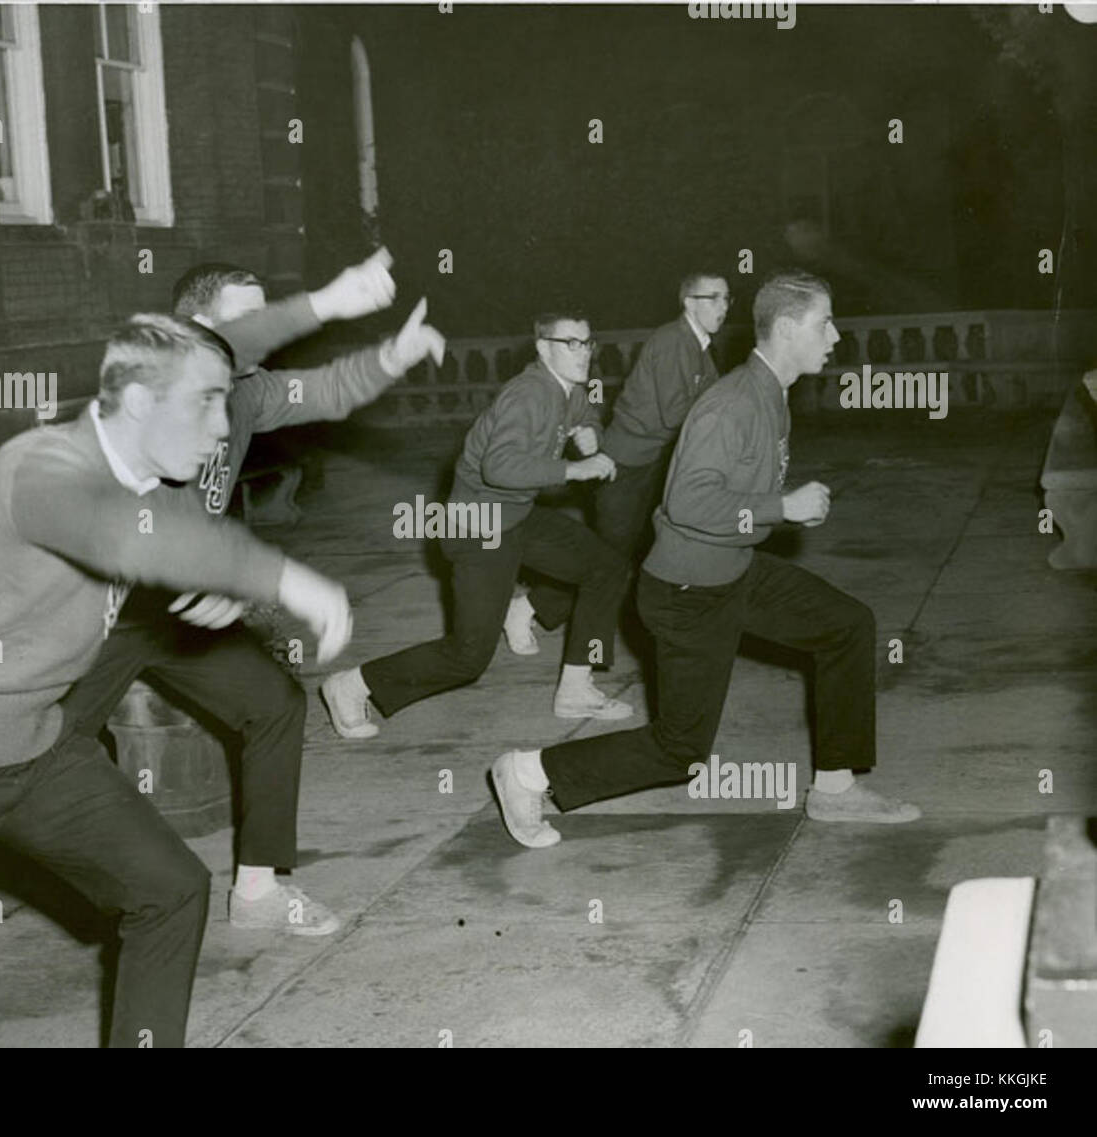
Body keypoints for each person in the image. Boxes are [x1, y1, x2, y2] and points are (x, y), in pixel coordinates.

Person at [0, 315, 354, 1048]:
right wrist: (286, 581)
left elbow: (170, 542)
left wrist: (208, 583)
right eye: (205, 402)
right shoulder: (38, 466)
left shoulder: (154, 484)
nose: (223, 427)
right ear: (137, 401)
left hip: (37, 749)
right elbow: (120, 533)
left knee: (172, 891)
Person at [59, 250, 445, 937]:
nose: (267, 335)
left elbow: (323, 390)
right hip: (96, 607)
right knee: (16, 764)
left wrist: (395, 354)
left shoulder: (245, 392)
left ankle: (259, 889)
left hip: (176, 604)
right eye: (252, 321)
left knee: (274, 705)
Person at [486, 272, 921, 849]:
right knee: (680, 751)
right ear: (788, 329)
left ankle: (836, 790)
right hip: (688, 593)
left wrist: (770, 510)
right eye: (825, 324)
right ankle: (526, 773)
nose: (836, 336)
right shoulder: (734, 403)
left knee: (846, 625)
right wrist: (781, 506)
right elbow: (687, 503)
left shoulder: (770, 393)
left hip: (733, 570)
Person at [321, 311, 635, 741]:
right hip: (477, 526)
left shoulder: (567, 389)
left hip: (515, 516)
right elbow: (500, 466)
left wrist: (590, 433)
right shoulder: (529, 394)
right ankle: (352, 685)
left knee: (607, 567)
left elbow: (584, 413)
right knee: (467, 659)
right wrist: (576, 470)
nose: (583, 353)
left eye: (587, 343)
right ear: (543, 348)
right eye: (571, 344)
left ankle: (573, 684)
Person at [504, 271, 729, 654]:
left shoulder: (698, 346)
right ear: (690, 303)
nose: (723, 307)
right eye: (714, 298)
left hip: (654, 462)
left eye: (727, 299)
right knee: (607, 560)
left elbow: (711, 397)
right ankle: (528, 610)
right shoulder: (674, 341)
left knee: (637, 554)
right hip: (627, 465)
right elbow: (677, 413)